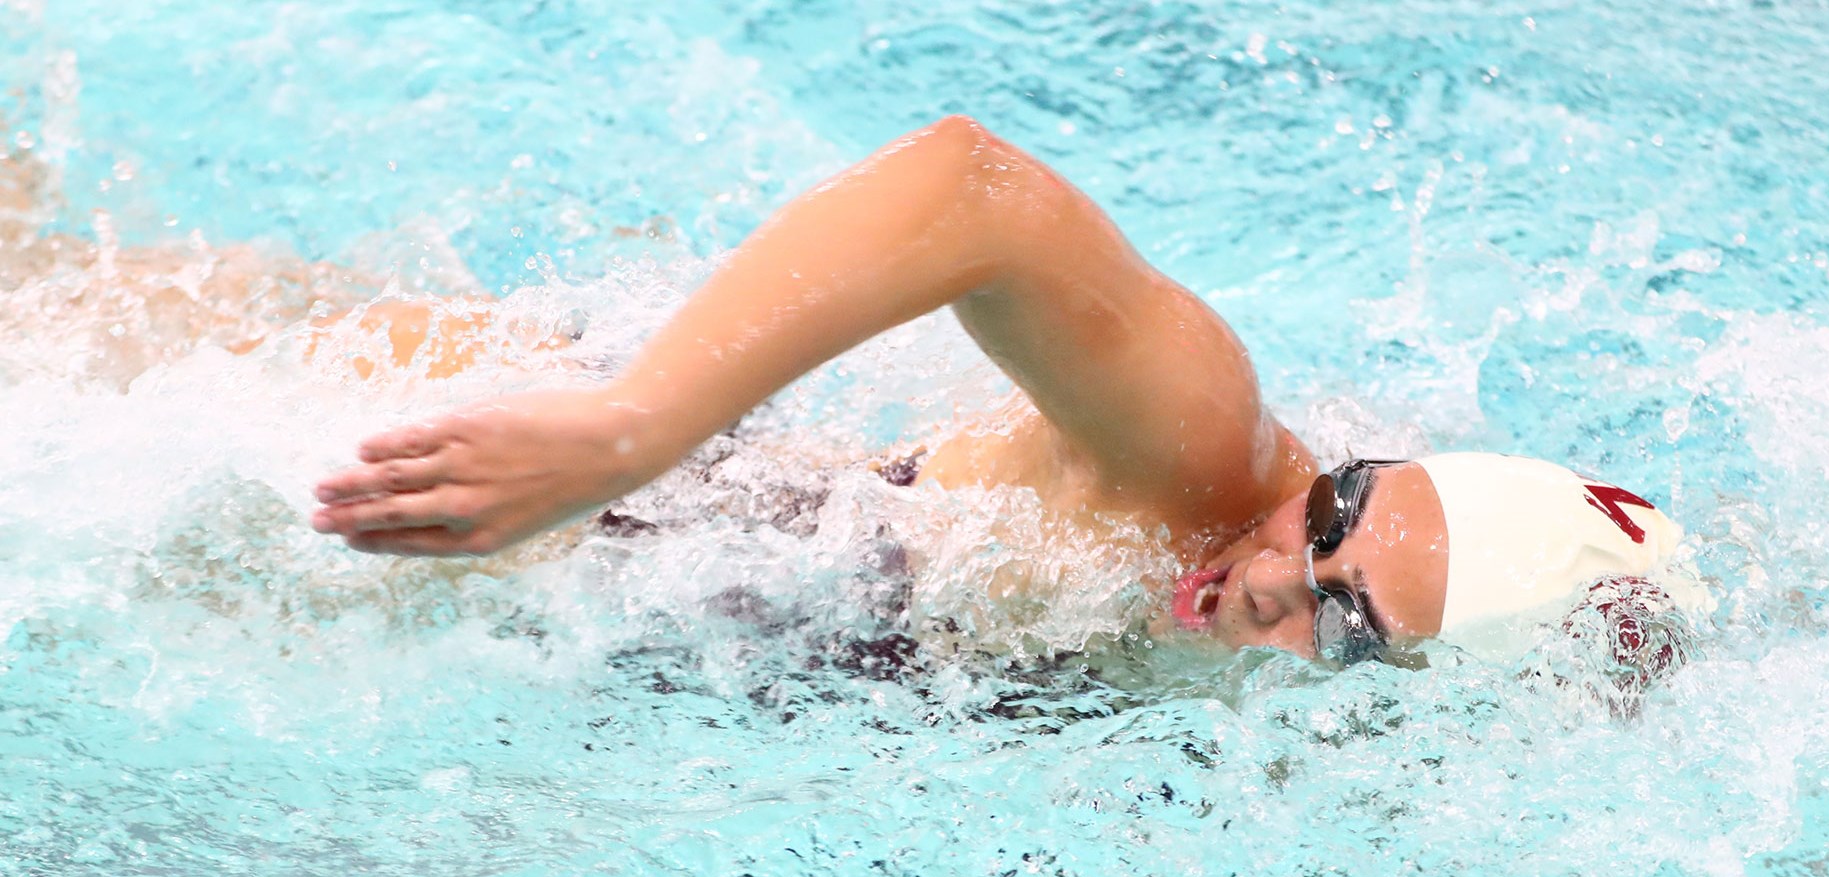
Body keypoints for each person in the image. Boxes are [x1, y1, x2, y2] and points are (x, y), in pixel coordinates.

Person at [288, 116, 1694, 669]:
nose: (1273, 569)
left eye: (1349, 622)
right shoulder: (1203, 453)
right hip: (607, 506)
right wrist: (627, 432)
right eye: (1333, 516)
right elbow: (977, 189)